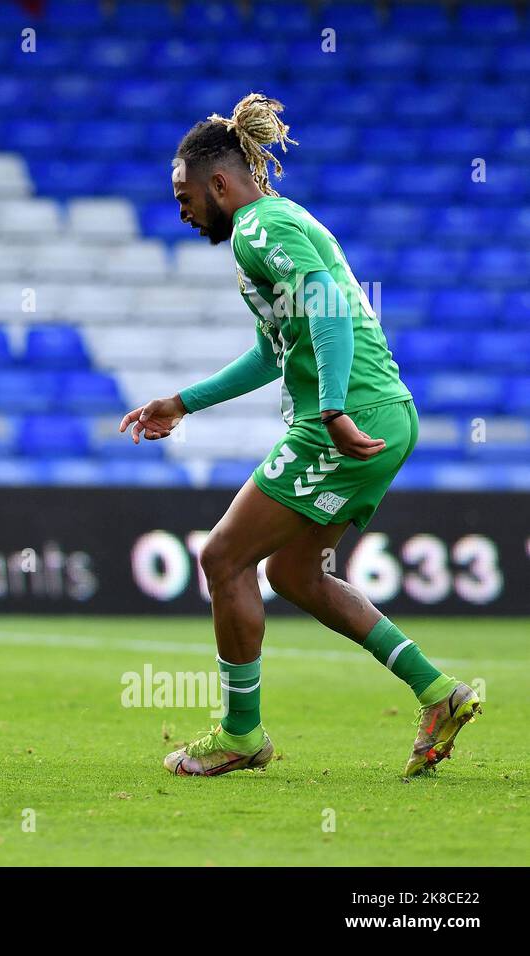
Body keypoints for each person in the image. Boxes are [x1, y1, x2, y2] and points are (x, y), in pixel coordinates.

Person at [120, 94, 479, 778]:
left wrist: (335, 409)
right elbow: (272, 352)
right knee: (291, 572)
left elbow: (330, 312)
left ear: (219, 184)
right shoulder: (279, 225)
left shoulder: (260, 228)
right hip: (381, 414)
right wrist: (181, 402)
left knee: (224, 558)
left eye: (185, 195)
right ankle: (438, 692)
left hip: (349, 417)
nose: (182, 210)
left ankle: (240, 733)